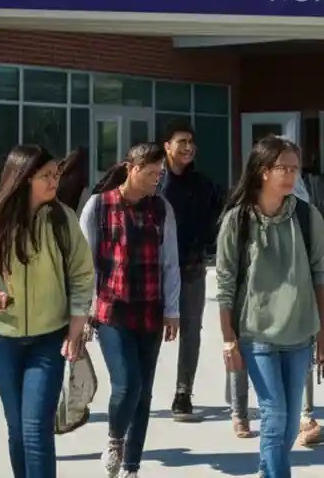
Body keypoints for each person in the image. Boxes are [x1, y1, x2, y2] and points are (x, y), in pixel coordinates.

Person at [0, 144, 95, 478]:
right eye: (46, 175)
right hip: (1, 341)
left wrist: (77, 323)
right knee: (17, 429)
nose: (54, 181)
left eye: (56, 174)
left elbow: (82, 274)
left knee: (36, 429)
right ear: (23, 178)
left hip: (48, 341)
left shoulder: (63, 219)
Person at [215, 135, 324, 478]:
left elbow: (322, 276)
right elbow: (224, 285)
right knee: (274, 415)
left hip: (299, 334)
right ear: (263, 171)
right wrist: (228, 338)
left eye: (295, 169)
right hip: (257, 333)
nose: (291, 175)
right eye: (284, 168)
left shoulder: (306, 216)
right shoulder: (237, 221)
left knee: (288, 425)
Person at [78, 143, 181, 478]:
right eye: (150, 173)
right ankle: (114, 440)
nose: (156, 179)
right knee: (127, 385)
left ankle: (132, 466)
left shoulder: (162, 209)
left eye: (160, 174)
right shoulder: (99, 205)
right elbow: (84, 263)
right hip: (112, 310)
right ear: (130, 168)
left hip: (150, 308)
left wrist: (172, 309)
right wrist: (83, 312)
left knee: (145, 391)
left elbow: (170, 262)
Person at [157, 119, 223, 422]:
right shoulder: (154, 181)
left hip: (191, 269)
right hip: (153, 272)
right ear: (166, 146)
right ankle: (138, 389)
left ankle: (183, 392)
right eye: (180, 141)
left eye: (190, 142)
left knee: (191, 332)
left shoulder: (204, 184)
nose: (187, 147)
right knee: (147, 331)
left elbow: (221, 216)